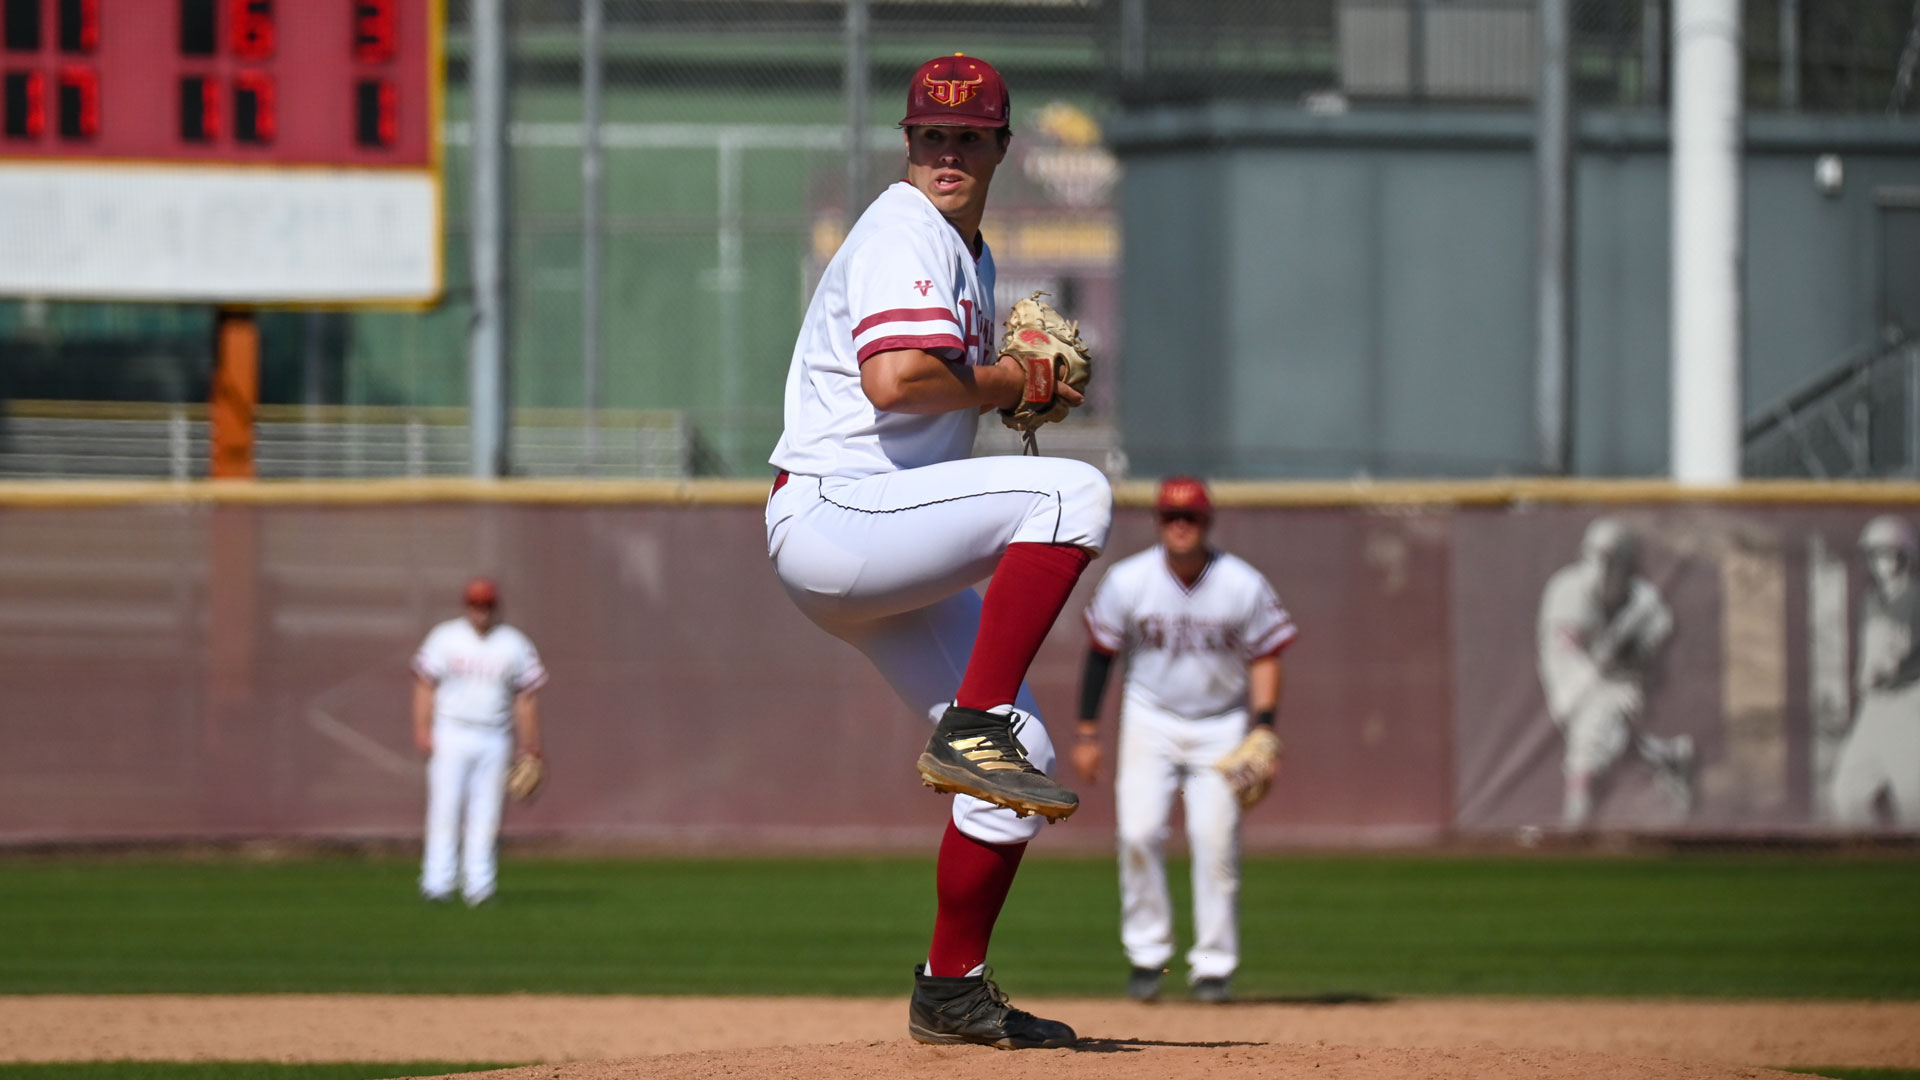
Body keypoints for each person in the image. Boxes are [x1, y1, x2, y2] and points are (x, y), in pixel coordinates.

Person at [764, 53, 1111, 1049]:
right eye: (932, 135)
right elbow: (898, 379)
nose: (949, 151)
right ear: (908, 144)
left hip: (882, 531)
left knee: (1027, 757)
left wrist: (1005, 385)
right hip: (840, 514)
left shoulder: (970, 250)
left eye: (969, 135)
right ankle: (970, 723)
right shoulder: (904, 228)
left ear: (1003, 145)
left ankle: (951, 991)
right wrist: (1009, 380)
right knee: (1077, 492)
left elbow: (928, 397)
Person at [1070, 477, 1297, 1005]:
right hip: (1149, 718)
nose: (1180, 525)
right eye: (1171, 515)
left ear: (1206, 522)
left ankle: (1214, 968)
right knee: (1138, 834)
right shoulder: (1130, 580)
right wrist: (1086, 731)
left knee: (1214, 841)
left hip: (1221, 724)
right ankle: (1148, 958)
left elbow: (1267, 653)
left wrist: (1264, 726)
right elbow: (1101, 652)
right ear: (1158, 521)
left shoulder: (1241, 582)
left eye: (1190, 516)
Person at [1535, 517, 1692, 828]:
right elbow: (1565, 655)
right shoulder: (1567, 590)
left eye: (1611, 557)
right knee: (1610, 737)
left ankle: (1576, 817)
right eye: (1594, 555)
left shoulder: (1643, 603)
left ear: (1627, 562)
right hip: (1571, 676)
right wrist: (1598, 671)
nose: (1602, 565)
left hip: (1620, 681)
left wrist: (1625, 651)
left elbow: (1650, 651)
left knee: (1593, 731)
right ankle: (1666, 757)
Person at [411, 577, 547, 906]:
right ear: (466, 605)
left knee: (486, 815)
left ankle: (480, 887)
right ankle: (437, 884)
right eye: (475, 604)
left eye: (485, 604)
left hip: (494, 735)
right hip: (451, 731)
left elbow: (526, 697)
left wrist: (531, 744)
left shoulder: (514, 644)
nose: (480, 611)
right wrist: (422, 729)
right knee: (445, 809)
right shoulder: (445, 637)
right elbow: (425, 684)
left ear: (495, 606)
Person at [1828, 515, 1920, 826]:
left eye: (1887, 552)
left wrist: (1871, 674)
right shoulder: (1873, 600)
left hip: (1908, 702)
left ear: (1904, 555)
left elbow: (1892, 658)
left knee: (1913, 798)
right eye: (1875, 553)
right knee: (1848, 793)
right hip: (1876, 707)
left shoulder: (1914, 599)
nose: (1880, 561)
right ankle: (1865, 858)